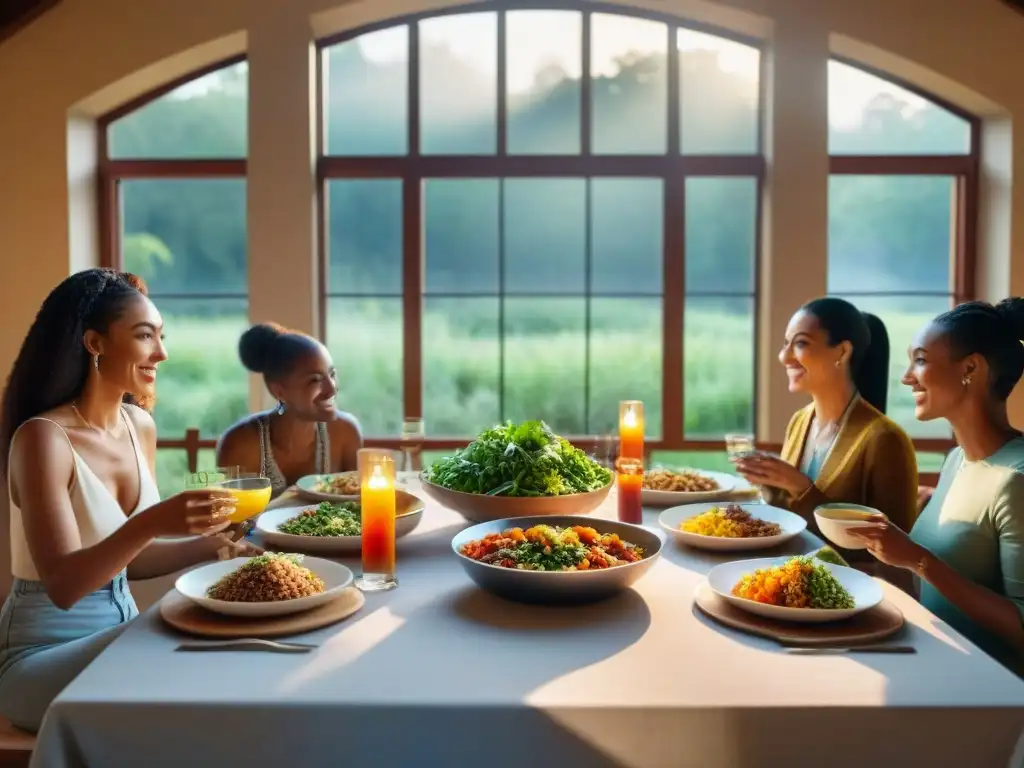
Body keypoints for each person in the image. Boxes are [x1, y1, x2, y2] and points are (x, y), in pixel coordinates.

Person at [0, 268, 258, 733]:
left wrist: (218, 548)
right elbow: (64, 585)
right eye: (145, 336)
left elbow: (128, 564)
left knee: (231, 641)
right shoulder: (43, 439)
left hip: (116, 640)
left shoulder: (138, 426)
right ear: (95, 343)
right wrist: (156, 519)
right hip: (40, 662)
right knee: (196, 636)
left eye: (161, 336)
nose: (161, 352)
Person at [850, 299, 1024, 674]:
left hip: (990, 697)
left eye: (921, 360)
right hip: (932, 661)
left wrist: (915, 557)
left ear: (971, 368)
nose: (907, 377)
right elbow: (934, 586)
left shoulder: (1016, 479)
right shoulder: (958, 459)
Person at [733, 297, 918, 564]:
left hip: (850, 592)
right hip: (785, 573)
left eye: (800, 343)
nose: (784, 357)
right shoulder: (800, 421)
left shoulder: (885, 439)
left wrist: (801, 487)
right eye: (786, 344)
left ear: (842, 352)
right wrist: (770, 481)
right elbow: (789, 517)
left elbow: (897, 555)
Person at [216, 323, 362, 497]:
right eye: (314, 380)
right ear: (279, 391)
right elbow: (233, 518)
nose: (332, 389)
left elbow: (356, 507)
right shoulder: (240, 445)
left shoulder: (345, 432)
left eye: (331, 374)